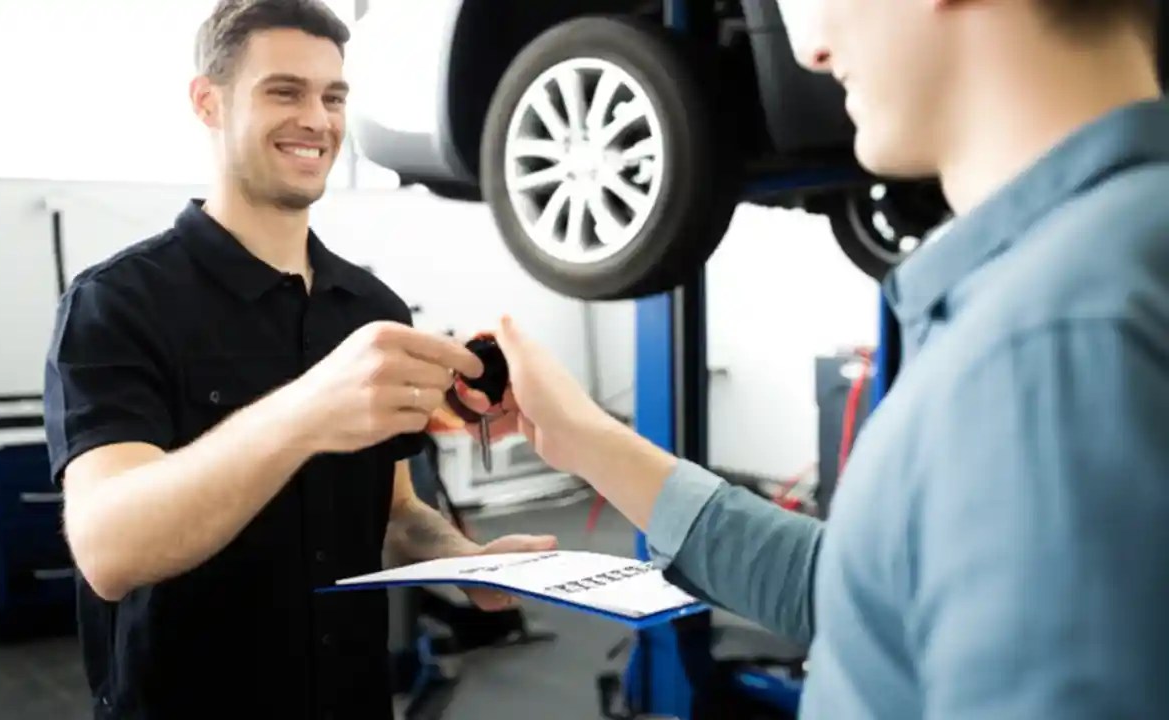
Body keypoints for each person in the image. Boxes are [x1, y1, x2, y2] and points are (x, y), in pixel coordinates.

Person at [463, 1, 1169, 717]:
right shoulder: (1095, 272)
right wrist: (585, 440)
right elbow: (860, 594)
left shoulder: (1053, 344)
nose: (811, 48)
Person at [42, 1, 555, 718]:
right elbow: (108, 549)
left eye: (333, 96)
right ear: (208, 102)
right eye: (285, 91)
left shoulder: (371, 308)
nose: (317, 119)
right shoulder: (116, 306)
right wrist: (307, 410)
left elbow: (397, 509)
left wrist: (459, 555)